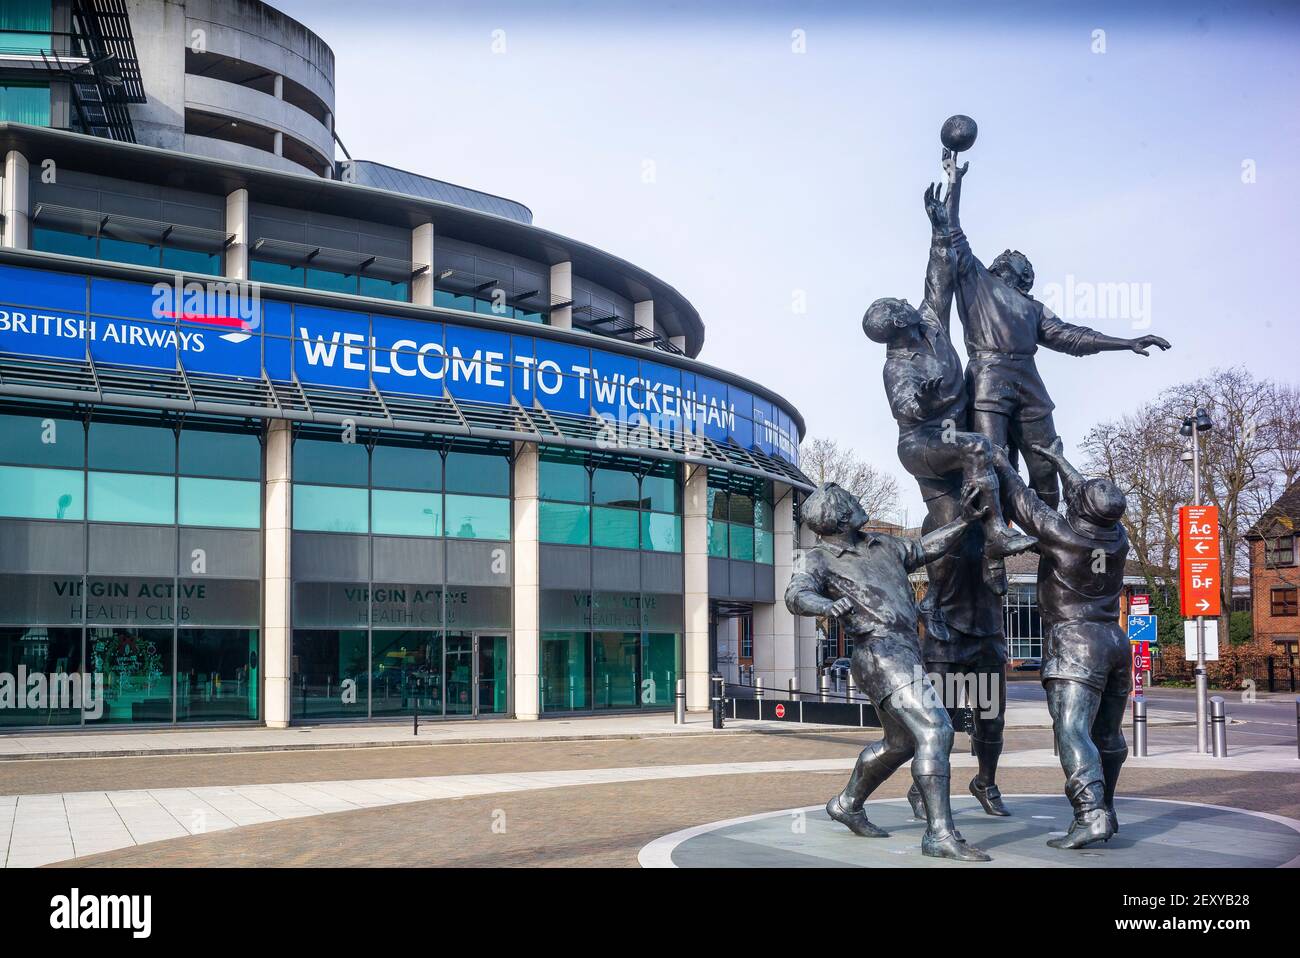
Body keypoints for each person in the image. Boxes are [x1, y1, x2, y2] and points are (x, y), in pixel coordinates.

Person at [941, 152, 1171, 509]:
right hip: (989, 377)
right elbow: (951, 230)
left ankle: (1050, 539)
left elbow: (1071, 337)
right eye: (1015, 260)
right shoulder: (977, 281)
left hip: (1029, 383)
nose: (1018, 262)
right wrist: (955, 182)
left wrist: (1127, 342)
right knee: (992, 462)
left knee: (1048, 465)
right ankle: (994, 551)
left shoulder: (1033, 308)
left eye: (1023, 265)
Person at [785, 481, 993, 862]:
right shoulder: (815, 558)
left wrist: (965, 520)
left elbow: (924, 548)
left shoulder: (883, 544)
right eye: (850, 500)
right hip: (878, 654)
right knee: (936, 729)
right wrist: (825, 606)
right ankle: (940, 834)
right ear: (838, 515)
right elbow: (795, 594)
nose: (857, 500)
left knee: (901, 744)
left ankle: (848, 804)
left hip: (905, 652)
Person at [993, 438, 1131, 848]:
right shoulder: (1117, 537)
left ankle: (1090, 814)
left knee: (1072, 730)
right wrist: (1056, 459)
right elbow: (1083, 495)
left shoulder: (1061, 534)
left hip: (1076, 641)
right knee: (1108, 735)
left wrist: (1002, 461)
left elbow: (1020, 499)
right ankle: (1106, 808)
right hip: (1115, 640)